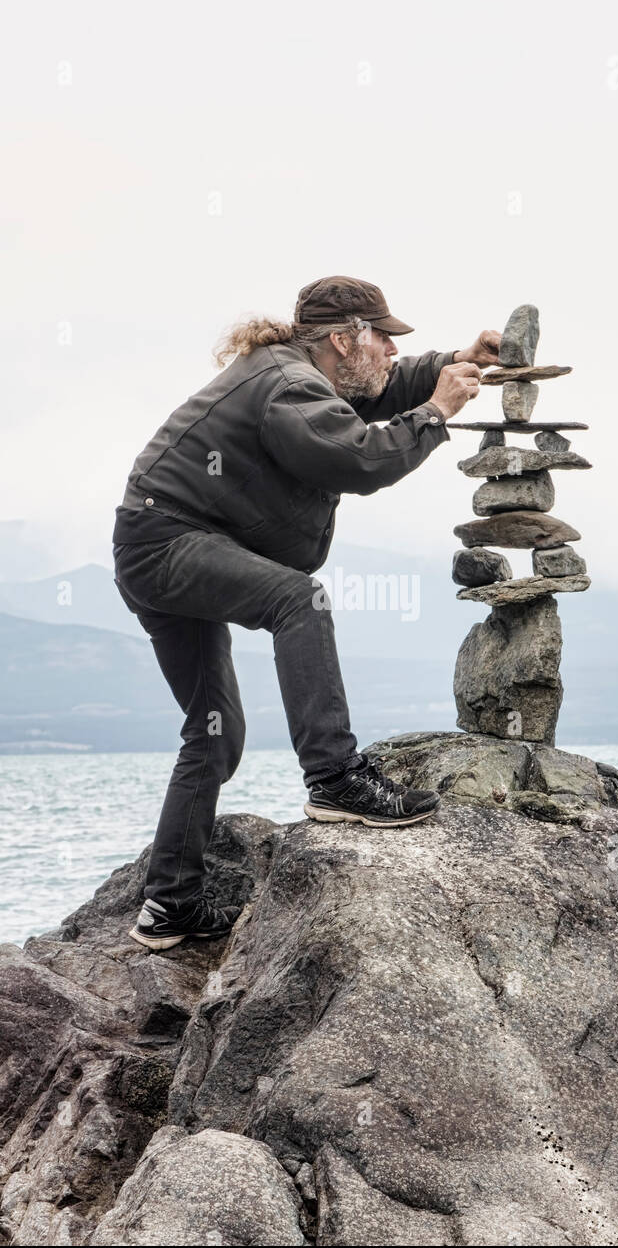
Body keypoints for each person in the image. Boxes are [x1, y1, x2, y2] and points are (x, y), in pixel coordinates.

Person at [113, 275, 501, 949]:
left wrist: (456, 358)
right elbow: (357, 460)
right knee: (299, 600)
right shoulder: (289, 386)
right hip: (170, 543)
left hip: (162, 541)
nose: (386, 349)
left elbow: (380, 386)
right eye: (380, 335)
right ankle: (335, 778)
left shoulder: (306, 373)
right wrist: (435, 413)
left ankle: (168, 908)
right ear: (341, 338)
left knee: (213, 734)